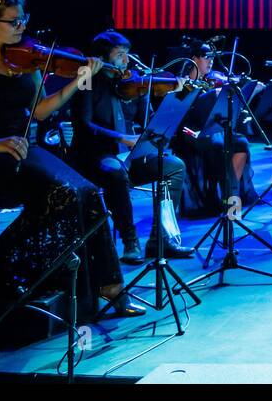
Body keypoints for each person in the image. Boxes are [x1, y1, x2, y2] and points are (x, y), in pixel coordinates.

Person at [0, 0, 143, 317]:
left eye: (24, 20)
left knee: (88, 192)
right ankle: (0, 258)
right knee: (62, 195)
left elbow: (42, 112)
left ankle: (110, 284)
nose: (22, 26)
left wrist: (79, 80)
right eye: (14, 21)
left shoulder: (27, 60)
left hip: (19, 150)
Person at [67, 30, 193, 262]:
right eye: (120, 54)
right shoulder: (86, 79)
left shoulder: (133, 83)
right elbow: (83, 125)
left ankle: (160, 239)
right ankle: (130, 240)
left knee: (174, 166)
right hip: (96, 154)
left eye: (127, 54)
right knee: (115, 172)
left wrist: (168, 100)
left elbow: (151, 120)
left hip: (129, 155)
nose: (127, 60)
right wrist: (121, 138)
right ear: (102, 57)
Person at [173, 44, 258, 215]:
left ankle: (232, 195)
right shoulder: (181, 82)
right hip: (189, 130)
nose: (211, 61)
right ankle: (224, 201)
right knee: (218, 145)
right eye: (206, 57)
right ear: (195, 59)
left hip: (211, 127)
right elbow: (176, 111)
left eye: (212, 57)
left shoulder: (210, 81)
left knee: (240, 142)